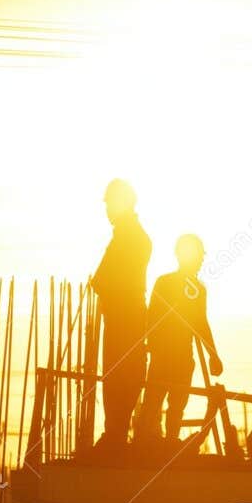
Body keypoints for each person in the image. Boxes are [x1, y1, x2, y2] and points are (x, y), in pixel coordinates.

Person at [135, 235, 221, 446]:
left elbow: (200, 322)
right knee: (156, 403)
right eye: (199, 255)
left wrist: (213, 354)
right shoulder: (169, 284)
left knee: (170, 405)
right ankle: (145, 444)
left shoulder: (195, 289)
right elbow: (152, 316)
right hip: (167, 356)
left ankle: (166, 443)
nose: (201, 261)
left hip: (179, 356)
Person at [88, 179, 153, 451]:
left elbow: (103, 279)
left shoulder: (129, 237)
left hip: (123, 317)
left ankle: (115, 434)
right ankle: (115, 432)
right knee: (125, 374)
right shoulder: (129, 235)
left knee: (121, 375)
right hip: (126, 315)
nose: (106, 209)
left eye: (109, 203)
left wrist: (102, 284)